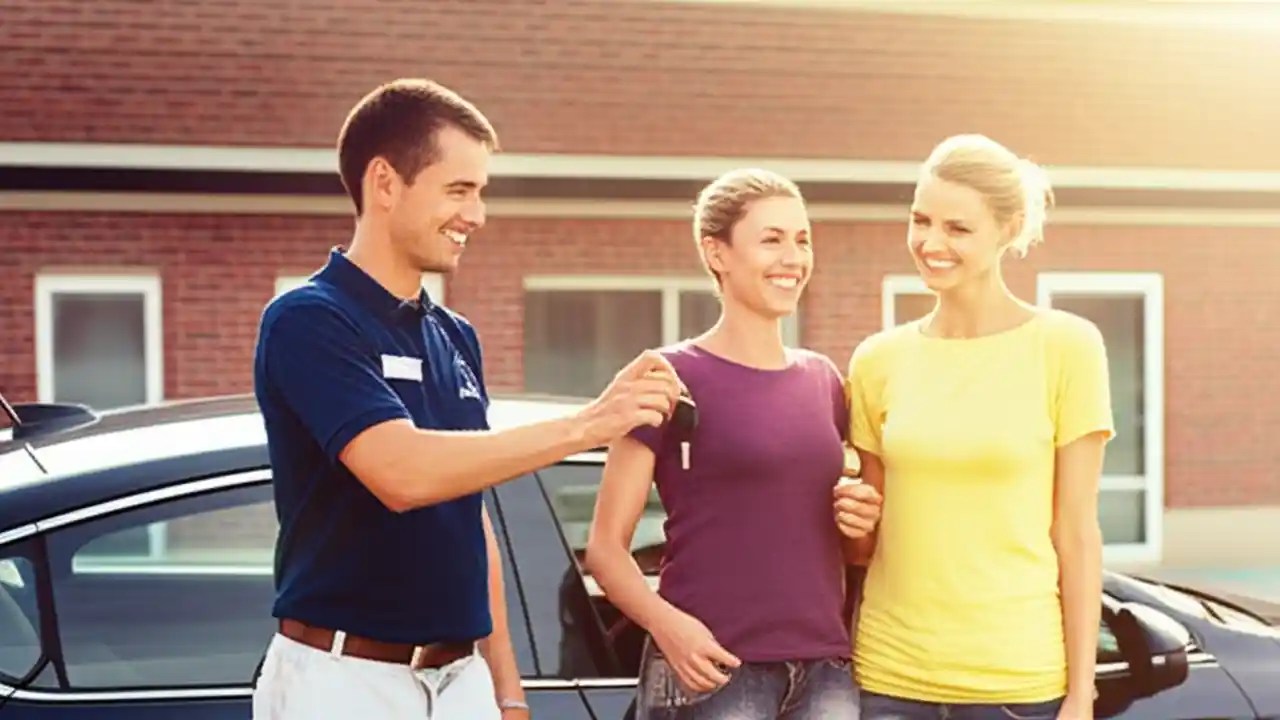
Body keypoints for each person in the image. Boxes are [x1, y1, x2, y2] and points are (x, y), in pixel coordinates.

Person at [250, 78, 683, 720]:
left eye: (480, 192)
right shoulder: (309, 320)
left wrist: (505, 692)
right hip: (344, 684)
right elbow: (400, 473)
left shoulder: (454, 335)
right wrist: (592, 422)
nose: (476, 215)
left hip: (461, 683)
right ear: (385, 184)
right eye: (458, 190)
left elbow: (469, 517)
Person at [585, 168, 883, 720]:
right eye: (771, 240)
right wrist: (668, 627)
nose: (792, 258)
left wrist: (859, 522)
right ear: (716, 253)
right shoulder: (667, 375)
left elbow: (828, 538)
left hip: (826, 672)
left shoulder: (825, 381)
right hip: (712, 671)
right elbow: (605, 548)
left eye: (802, 240)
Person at [835, 134, 1114, 720]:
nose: (931, 243)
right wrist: (849, 520)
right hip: (889, 679)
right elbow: (863, 547)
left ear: (1008, 230)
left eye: (958, 229)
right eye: (921, 220)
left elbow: (1077, 532)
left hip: (1016, 682)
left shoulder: (1066, 347)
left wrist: (1081, 693)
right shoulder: (877, 359)